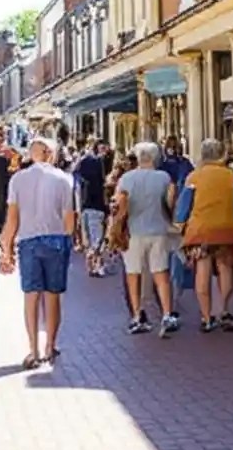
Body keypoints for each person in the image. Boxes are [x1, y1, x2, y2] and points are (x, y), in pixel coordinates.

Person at [0, 136, 75, 370]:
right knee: (53, 295)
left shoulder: (18, 180)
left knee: (31, 295)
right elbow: (69, 217)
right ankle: (50, 345)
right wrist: (68, 241)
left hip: (28, 240)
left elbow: (12, 218)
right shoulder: (64, 179)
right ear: (51, 154)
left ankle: (33, 349)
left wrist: (6, 250)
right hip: (56, 239)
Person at [174, 138, 233, 333]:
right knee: (225, 267)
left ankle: (206, 317)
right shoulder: (232, 177)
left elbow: (183, 206)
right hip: (226, 228)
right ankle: (223, 309)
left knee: (202, 270)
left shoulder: (194, 177)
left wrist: (179, 224)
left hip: (201, 230)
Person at [115, 142, 176, 337]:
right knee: (161, 273)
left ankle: (137, 315)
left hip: (133, 232)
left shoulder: (126, 178)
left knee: (133, 273)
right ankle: (167, 313)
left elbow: (119, 203)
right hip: (158, 229)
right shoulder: (164, 178)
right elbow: (170, 201)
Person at [159, 135, 194, 326]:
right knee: (177, 254)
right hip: (182, 216)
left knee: (168, 255)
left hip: (167, 217)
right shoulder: (186, 165)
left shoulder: (162, 168)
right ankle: (176, 289)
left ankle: (170, 293)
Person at [74, 137, 109, 278]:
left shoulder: (82, 164)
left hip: (85, 206)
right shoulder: (100, 163)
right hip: (97, 206)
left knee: (89, 238)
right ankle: (96, 264)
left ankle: (93, 265)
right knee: (98, 239)